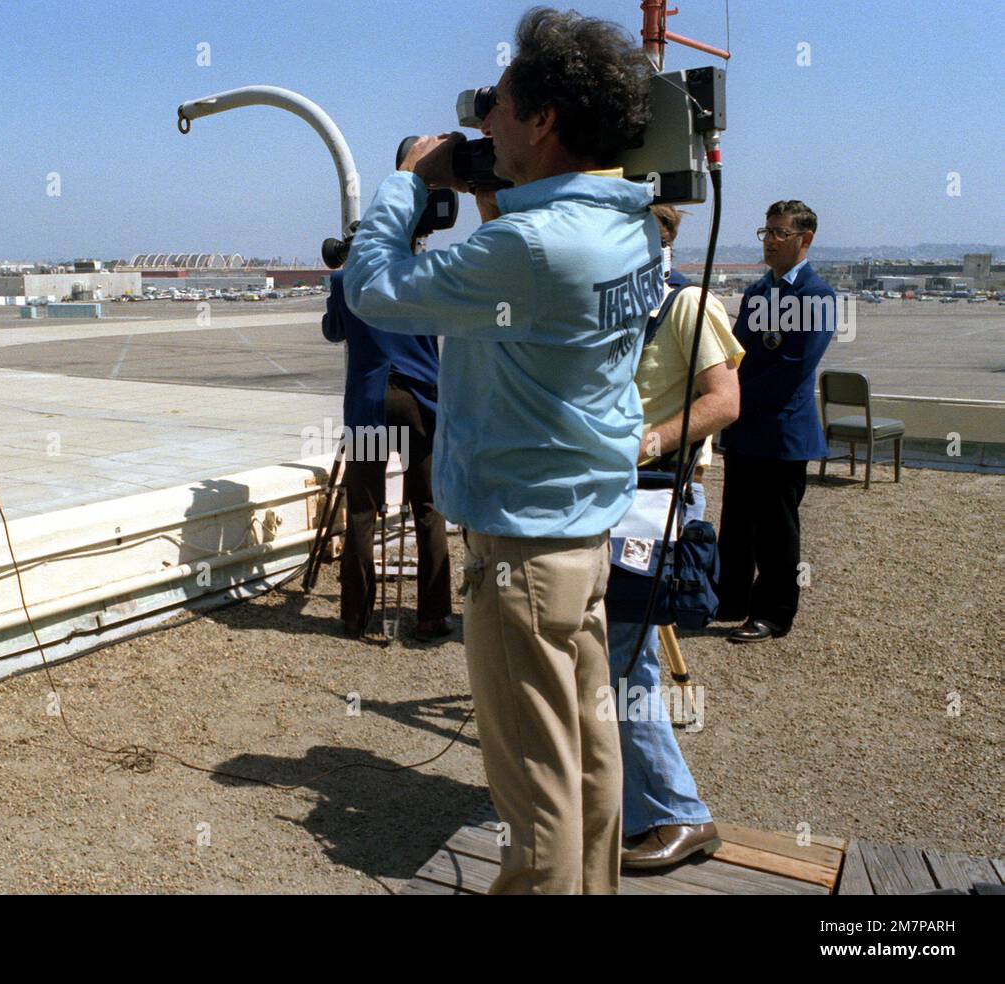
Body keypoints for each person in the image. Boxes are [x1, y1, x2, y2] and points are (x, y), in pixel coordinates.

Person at [344, 8, 657, 893]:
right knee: (592, 768)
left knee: (537, 800)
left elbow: (373, 288)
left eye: (502, 106)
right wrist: (499, 179)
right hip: (583, 543)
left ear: (546, 118)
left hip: (520, 557)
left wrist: (407, 182)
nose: (487, 121)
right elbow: (525, 282)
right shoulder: (631, 223)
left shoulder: (529, 246)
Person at [608, 205, 743, 868]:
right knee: (616, 658)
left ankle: (674, 812)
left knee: (627, 661)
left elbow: (725, 398)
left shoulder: (685, 305)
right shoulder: (620, 305)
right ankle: (636, 804)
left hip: (654, 499)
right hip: (614, 503)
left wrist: (652, 440)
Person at [716, 201, 835, 643]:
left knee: (776, 532)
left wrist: (735, 397)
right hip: (747, 431)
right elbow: (738, 353)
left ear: (805, 239)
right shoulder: (758, 292)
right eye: (765, 231)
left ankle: (773, 613)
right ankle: (729, 599)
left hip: (782, 432)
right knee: (737, 524)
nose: (769, 240)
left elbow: (794, 366)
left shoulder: (815, 296)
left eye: (779, 233)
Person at [322, 269, 453, 642]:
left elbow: (334, 331)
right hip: (419, 402)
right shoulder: (426, 275)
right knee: (428, 508)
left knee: (362, 510)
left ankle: (355, 616)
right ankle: (431, 617)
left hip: (369, 403)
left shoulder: (346, 280)